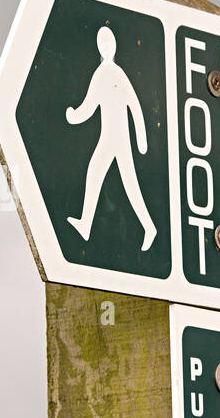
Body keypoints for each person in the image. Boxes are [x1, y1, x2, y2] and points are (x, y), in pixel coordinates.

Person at [64, 26, 157, 252]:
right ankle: (86, 223)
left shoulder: (114, 72)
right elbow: (90, 104)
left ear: (114, 45)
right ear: (99, 48)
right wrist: (73, 116)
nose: (105, 47)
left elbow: (134, 104)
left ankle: (149, 228)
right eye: (101, 44)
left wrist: (142, 139)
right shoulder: (101, 73)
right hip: (108, 138)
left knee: (130, 185)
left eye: (108, 43)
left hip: (120, 139)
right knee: (96, 173)